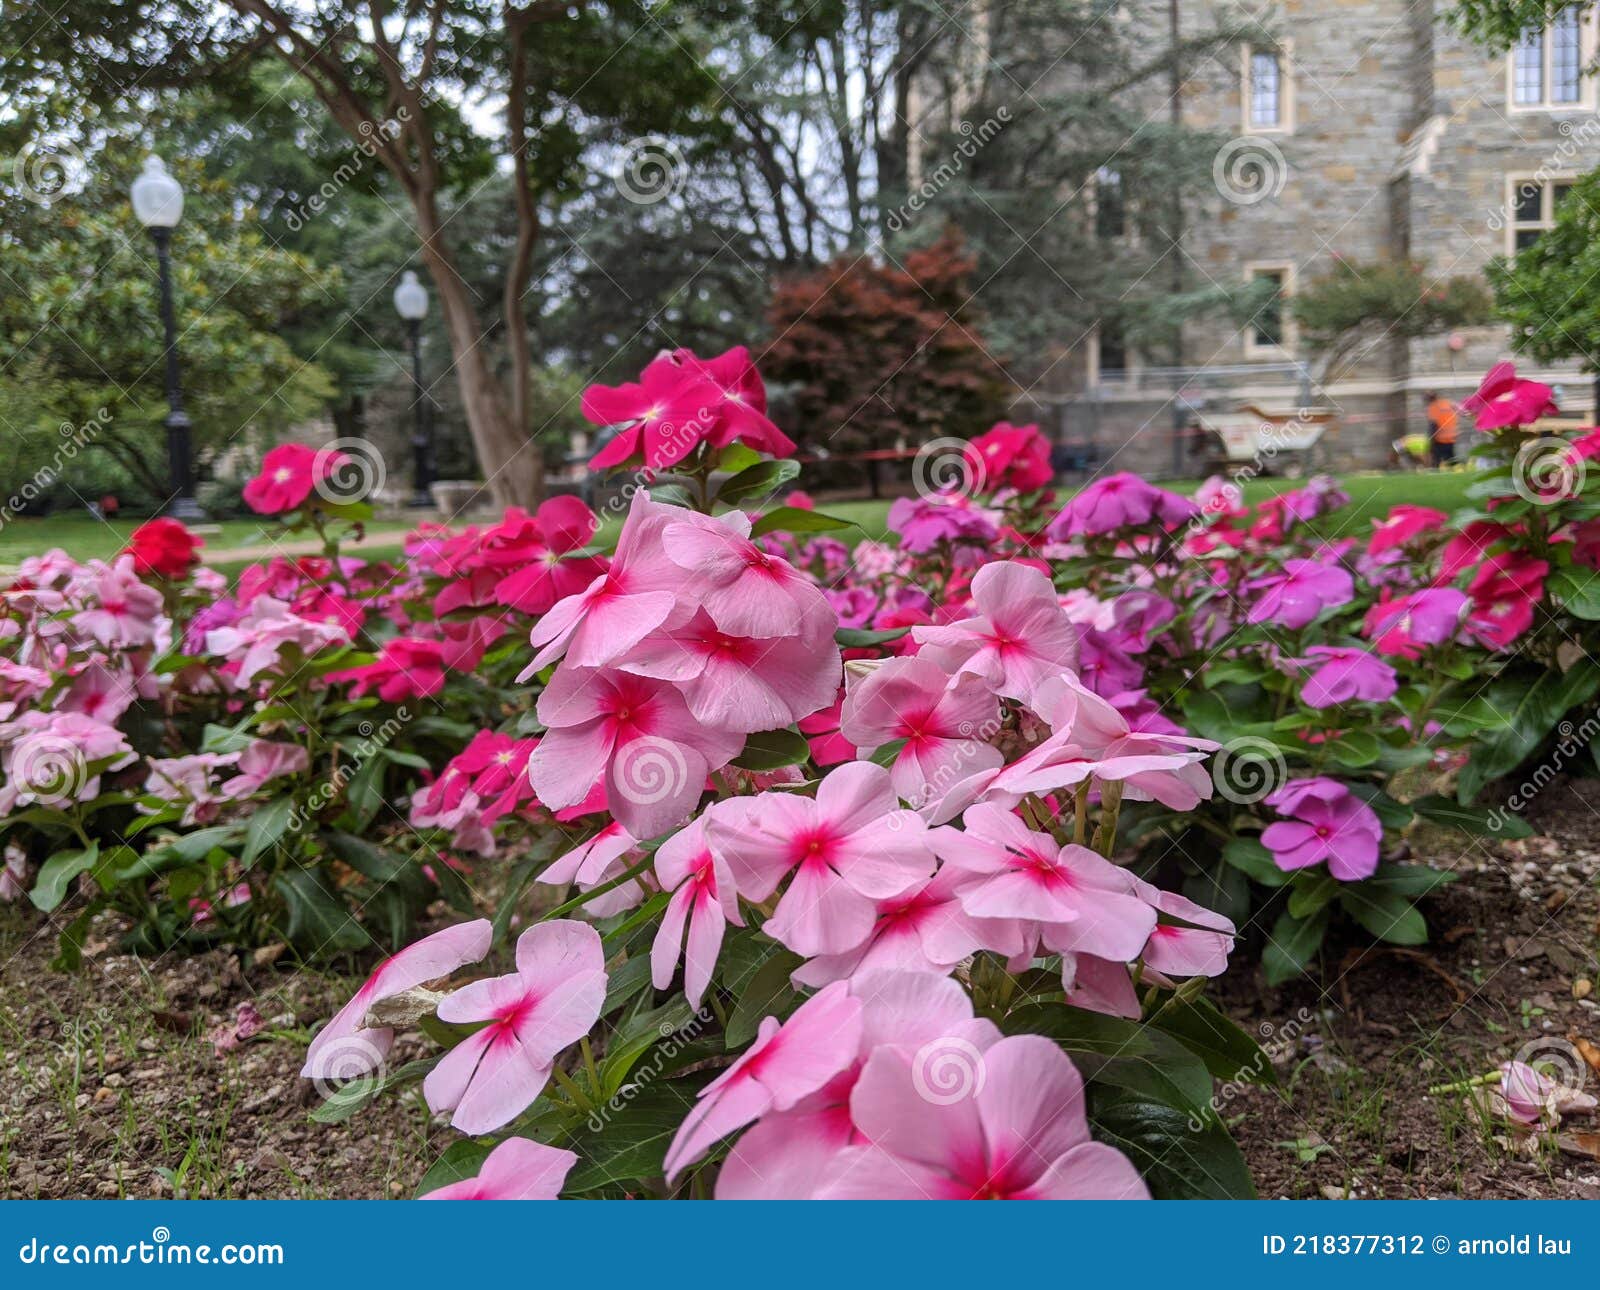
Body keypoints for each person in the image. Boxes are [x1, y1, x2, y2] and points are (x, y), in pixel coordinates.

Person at [1425, 390, 1458, 467]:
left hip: (1440, 438)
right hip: (1451, 436)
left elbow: (1433, 424)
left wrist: (1431, 439)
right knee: (1450, 457)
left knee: (1436, 459)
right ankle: (1457, 469)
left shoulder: (1433, 407)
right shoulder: (1447, 403)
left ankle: (1435, 470)